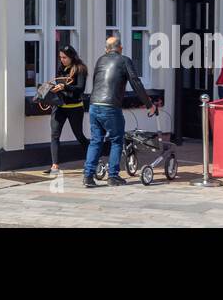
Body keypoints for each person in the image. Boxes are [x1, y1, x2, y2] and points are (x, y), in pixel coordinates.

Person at [83, 35, 158, 188]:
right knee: (117, 140)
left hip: (94, 104)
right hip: (110, 106)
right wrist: (149, 104)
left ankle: (88, 176)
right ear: (121, 48)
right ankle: (113, 176)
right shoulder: (124, 60)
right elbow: (136, 82)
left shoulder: (100, 60)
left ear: (106, 49)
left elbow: (96, 82)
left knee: (96, 141)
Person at [47, 45, 89, 175]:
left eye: (64, 57)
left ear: (71, 57)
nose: (62, 60)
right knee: (54, 135)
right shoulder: (61, 68)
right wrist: (53, 89)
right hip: (59, 106)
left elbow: (80, 88)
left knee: (79, 135)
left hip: (74, 107)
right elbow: (60, 85)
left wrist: (64, 87)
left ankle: (92, 159)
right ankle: (55, 165)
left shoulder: (80, 69)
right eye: (60, 57)